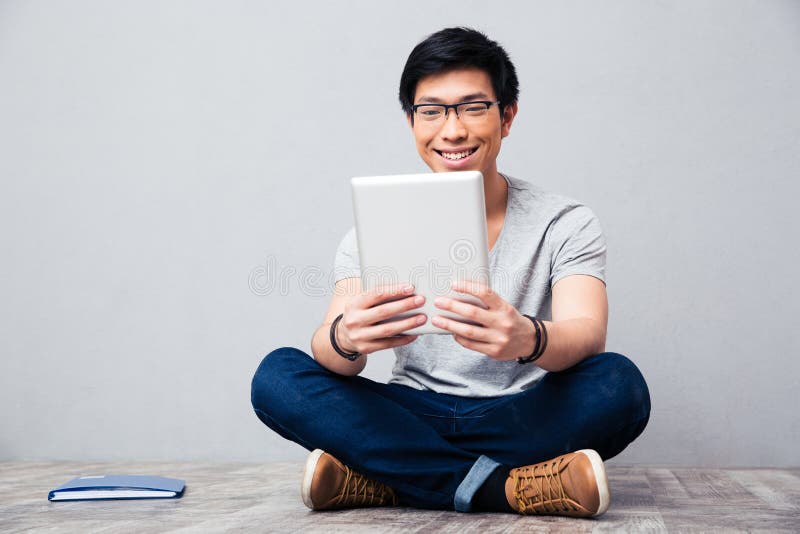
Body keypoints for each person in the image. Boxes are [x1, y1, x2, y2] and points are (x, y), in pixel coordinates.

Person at [251, 27, 650, 518]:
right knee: (277, 375)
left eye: (472, 107)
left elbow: (588, 335)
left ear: (507, 117)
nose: (453, 130)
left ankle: (388, 478)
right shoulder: (372, 229)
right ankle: (501, 488)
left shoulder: (564, 222)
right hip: (407, 412)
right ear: (411, 121)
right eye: (432, 110)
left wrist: (528, 338)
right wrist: (344, 339)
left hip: (518, 413)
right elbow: (335, 359)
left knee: (619, 385)